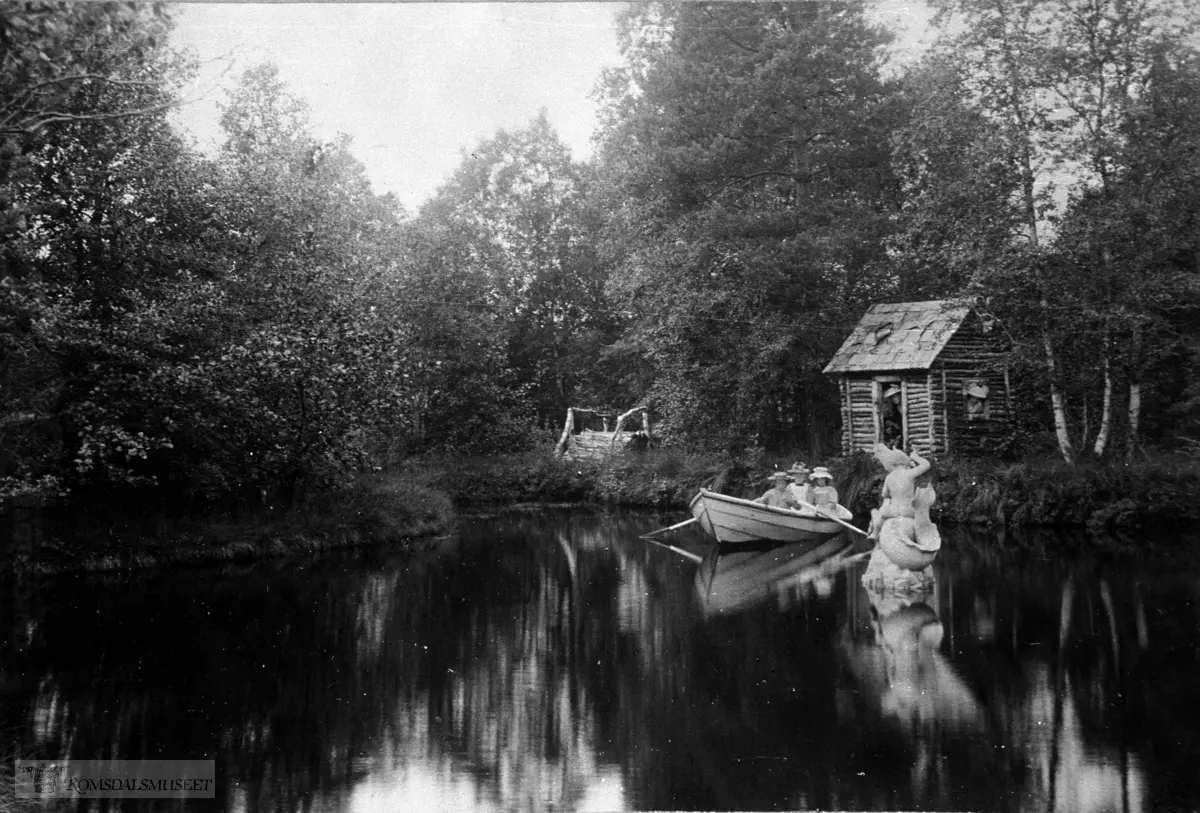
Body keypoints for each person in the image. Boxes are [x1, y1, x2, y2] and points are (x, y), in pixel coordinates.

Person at [868, 444, 931, 540]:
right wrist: (915, 457)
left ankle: (875, 533)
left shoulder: (889, 477)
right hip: (909, 511)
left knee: (880, 513)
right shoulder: (910, 473)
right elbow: (927, 465)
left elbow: (884, 494)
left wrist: (893, 494)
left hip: (894, 511)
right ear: (905, 461)